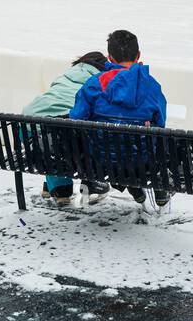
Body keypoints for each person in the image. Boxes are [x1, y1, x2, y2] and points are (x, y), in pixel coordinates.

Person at [69, 30, 171, 209]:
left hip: (101, 162)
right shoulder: (151, 86)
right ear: (138, 55)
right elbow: (160, 124)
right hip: (141, 162)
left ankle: (135, 188)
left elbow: (76, 118)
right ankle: (155, 186)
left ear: (109, 57)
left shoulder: (95, 83)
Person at [22, 52, 110, 206]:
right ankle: (70, 188)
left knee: (49, 144)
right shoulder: (99, 81)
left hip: (27, 124)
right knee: (68, 140)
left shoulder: (66, 76)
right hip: (58, 131)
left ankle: (60, 189)